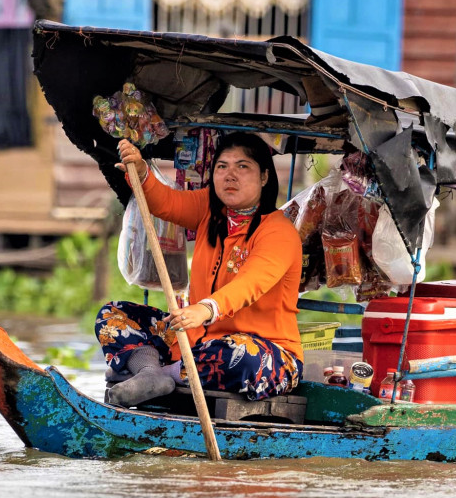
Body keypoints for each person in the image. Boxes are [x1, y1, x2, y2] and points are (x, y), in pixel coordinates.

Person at [96, 132, 304, 406]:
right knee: (113, 316)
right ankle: (150, 374)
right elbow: (165, 203)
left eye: (243, 166)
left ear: (264, 177)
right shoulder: (209, 207)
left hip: (266, 351)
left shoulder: (279, 231)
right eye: (222, 166)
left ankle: (160, 372)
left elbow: (250, 284)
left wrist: (205, 309)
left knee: (239, 354)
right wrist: (142, 171)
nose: (230, 175)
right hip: (193, 344)